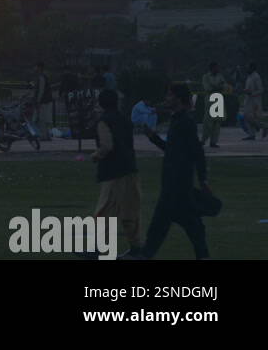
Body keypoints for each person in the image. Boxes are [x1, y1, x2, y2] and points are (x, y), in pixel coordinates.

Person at [130, 84, 210, 260]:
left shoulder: (185, 123)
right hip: (176, 185)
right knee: (191, 224)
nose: (166, 98)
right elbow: (172, 150)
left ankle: (145, 254)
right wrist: (154, 138)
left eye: (169, 95)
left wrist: (203, 180)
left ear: (178, 99)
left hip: (177, 185)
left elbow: (197, 153)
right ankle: (203, 256)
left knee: (162, 224)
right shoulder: (178, 121)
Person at [92, 89, 142, 257]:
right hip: (130, 169)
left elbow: (106, 146)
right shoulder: (125, 120)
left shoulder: (103, 121)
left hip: (113, 172)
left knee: (104, 211)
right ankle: (136, 248)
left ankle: (100, 248)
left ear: (101, 103)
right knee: (129, 212)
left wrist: (96, 155)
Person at [200, 62, 227, 148]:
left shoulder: (220, 76)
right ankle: (203, 140)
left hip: (218, 99)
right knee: (208, 122)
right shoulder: (206, 77)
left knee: (217, 123)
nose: (217, 69)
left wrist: (217, 87)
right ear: (211, 68)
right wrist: (218, 87)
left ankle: (213, 142)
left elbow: (224, 86)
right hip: (210, 100)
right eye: (216, 67)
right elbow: (207, 88)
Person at [242, 62, 264, 140]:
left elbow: (261, 90)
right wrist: (245, 91)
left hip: (254, 101)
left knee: (250, 117)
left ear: (252, 68)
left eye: (248, 67)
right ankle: (252, 135)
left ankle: (262, 127)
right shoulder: (249, 76)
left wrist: (251, 93)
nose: (247, 69)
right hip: (248, 100)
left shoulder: (256, 77)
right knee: (246, 116)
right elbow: (249, 89)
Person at [34, 62, 54, 141]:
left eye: (36, 67)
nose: (35, 68)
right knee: (45, 119)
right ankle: (47, 135)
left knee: (42, 119)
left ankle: (43, 136)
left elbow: (41, 90)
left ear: (39, 68)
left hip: (43, 101)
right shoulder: (44, 76)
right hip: (47, 100)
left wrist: (38, 101)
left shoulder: (41, 77)